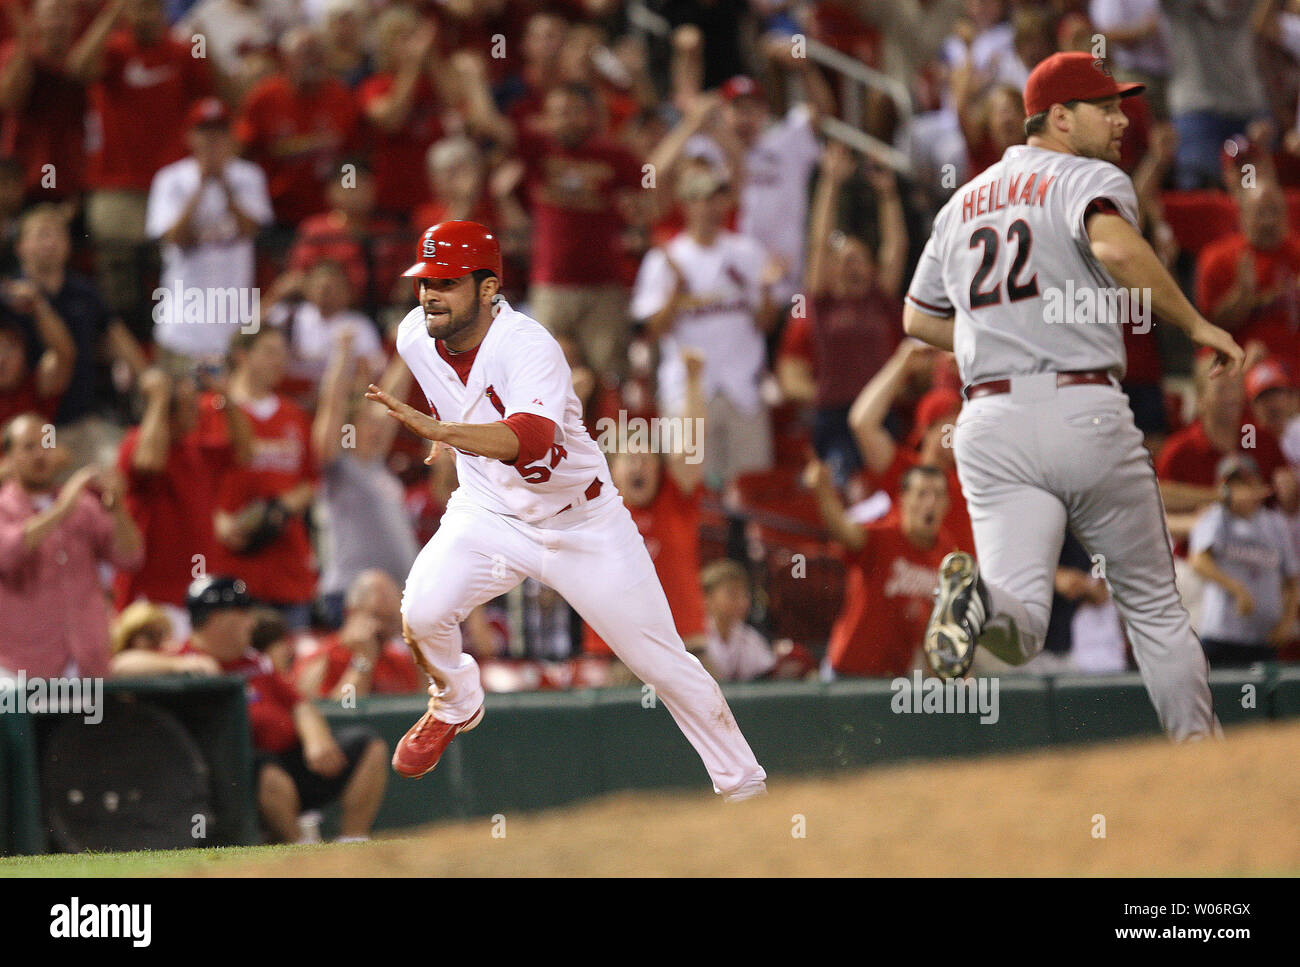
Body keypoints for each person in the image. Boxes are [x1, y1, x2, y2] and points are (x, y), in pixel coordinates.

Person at [904, 52, 1246, 740]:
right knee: (1152, 606)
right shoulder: (1087, 175)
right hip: (1081, 404)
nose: (1123, 120)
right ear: (1059, 118)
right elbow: (1118, 250)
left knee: (1019, 626)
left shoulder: (962, 200)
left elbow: (915, 319)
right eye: (1107, 107)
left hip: (990, 421)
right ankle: (1203, 760)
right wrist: (1197, 322)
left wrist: (990, 339)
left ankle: (976, 601)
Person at [363, 220, 766, 800]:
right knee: (422, 611)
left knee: (664, 662)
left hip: (582, 523)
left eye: (447, 282)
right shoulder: (413, 336)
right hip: (489, 512)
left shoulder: (528, 345)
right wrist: (449, 433)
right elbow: (459, 392)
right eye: (425, 280)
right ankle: (456, 702)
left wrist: (445, 429)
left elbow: (526, 438)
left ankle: (745, 787)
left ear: (487, 288)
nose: (430, 293)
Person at [181, 575, 388, 843]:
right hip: (236, 778)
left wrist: (316, 738)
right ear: (218, 617)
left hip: (292, 763)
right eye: (244, 613)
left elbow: (298, 703)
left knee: (368, 745)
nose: (252, 623)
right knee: (267, 769)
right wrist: (175, 667)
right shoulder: (183, 659)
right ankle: (297, 848)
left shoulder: (255, 662)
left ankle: (352, 841)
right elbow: (125, 664)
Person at [631, 161, 783, 489]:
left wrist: (769, 291)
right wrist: (676, 291)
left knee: (752, 490)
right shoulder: (666, 259)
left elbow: (766, 323)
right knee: (691, 489)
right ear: (685, 204)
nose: (710, 207)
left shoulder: (747, 252)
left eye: (716, 198)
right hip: (687, 392)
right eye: (701, 198)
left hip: (742, 387)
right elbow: (650, 332)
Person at [778, 141, 907, 484]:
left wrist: (889, 195)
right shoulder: (821, 303)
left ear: (871, 265)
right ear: (832, 268)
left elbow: (896, 249)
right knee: (842, 489)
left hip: (880, 414)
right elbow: (818, 242)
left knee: (888, 488)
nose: (854, 267)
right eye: (845, 260)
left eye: (860, 259)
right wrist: (830, 183)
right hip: (833, 416)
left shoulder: (879, 299)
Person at [0, 412, 143, 678]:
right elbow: (7, 554)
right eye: (29, 447)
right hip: (21, 666)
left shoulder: (84, 505)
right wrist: (62, 509)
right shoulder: (6, 506)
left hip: (87, 659)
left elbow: (130, 557)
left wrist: (117, 506)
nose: (40, 455)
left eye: (46, 445)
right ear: (7, 457)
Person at [146, 97, 273, 371]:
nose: (213, 140)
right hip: (181, 322)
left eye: (220, 132)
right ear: (191, 136)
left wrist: (225, 185)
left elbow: (250, 229)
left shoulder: (249, 176)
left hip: (235, 321)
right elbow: (174, 238)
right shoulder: (170, 179)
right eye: (205, 132)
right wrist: (202, 185)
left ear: (231, 136)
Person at [807, 459, 961, 678]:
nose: (930, 503)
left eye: (938, 494)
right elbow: (843, 531)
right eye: (922, 494)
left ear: (947, 502)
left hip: (893, 678)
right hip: (846, 672)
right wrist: (823, 490)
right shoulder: (882, 537)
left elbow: (937, 622)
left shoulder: (946, 553)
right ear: (903, 499)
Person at [211, 326, 319, 631]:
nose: (279, 362)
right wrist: (214, 519)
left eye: (283, 354)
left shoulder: (294, 415)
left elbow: (311, 480)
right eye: (269, 352)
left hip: (286, 565)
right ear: (242, 355)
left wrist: (283, 506)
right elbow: (193, 476)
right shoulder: (212, 410)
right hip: (226, 561)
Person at [1189, 455, 1299, 666]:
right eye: (1232, 485)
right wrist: (1236, 588)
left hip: (1264, 638)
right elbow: (1198, 561)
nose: (1240, 492)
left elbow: (1292, 580)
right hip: (1222, 636)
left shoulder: (1275, 524)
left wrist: (1286, 623)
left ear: (1259, 486)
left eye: (1245, 484)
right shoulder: (1216, 517)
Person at [294, 569, 421, 699]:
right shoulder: (322, 659)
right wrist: (363, 661)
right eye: (377, 617)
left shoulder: (399, 662)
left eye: (391, 620)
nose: (384, 628)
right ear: (351, 613)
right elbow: (343, 711)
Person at [698, 558, 776, 683]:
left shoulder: (750, 638)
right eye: (732, 594)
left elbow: (768, 674)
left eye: (744, 595)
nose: (741, 602)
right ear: (707, 598)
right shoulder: (693, 637)